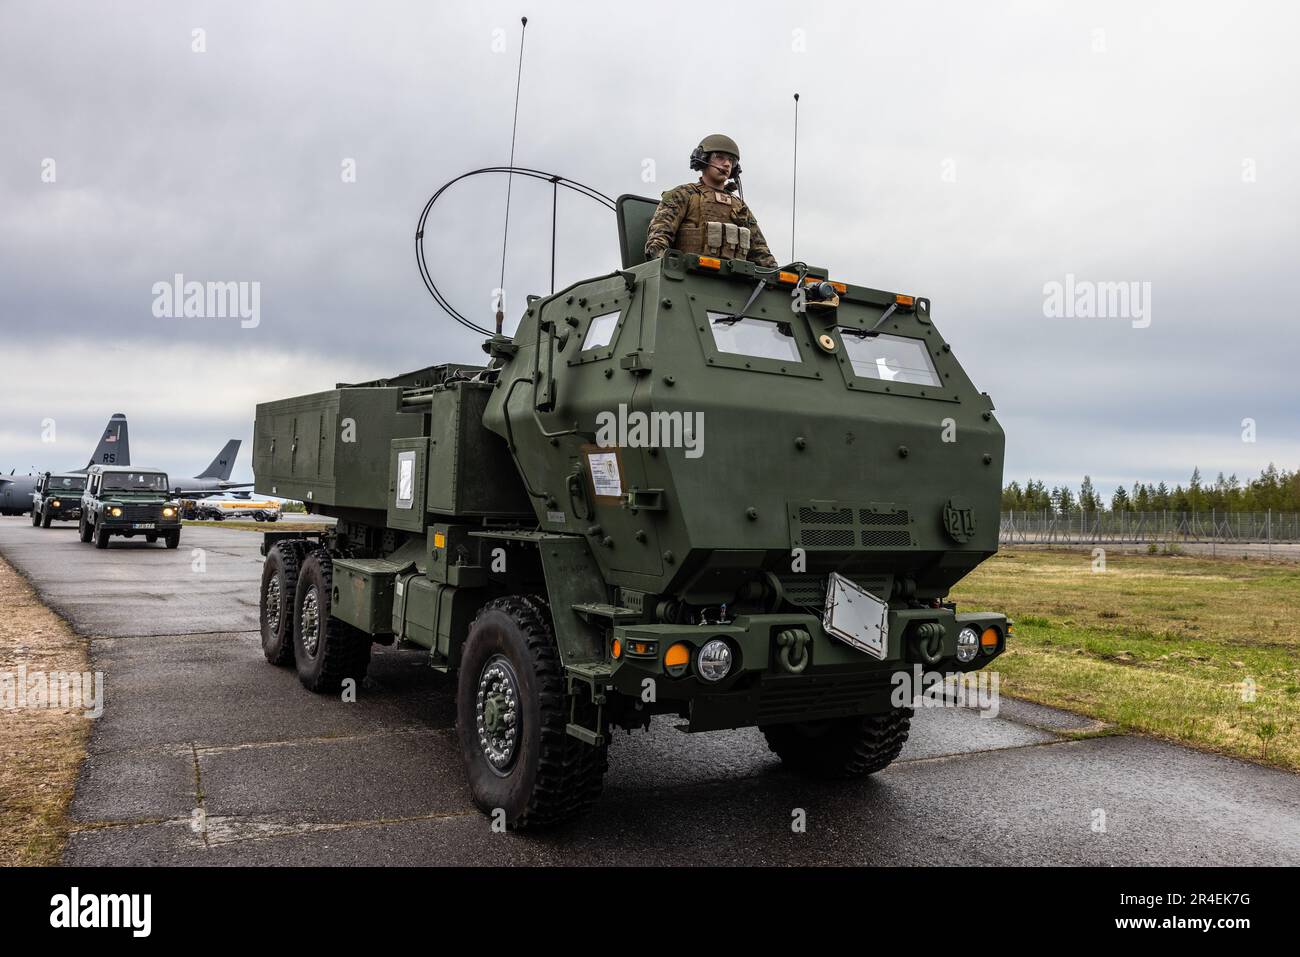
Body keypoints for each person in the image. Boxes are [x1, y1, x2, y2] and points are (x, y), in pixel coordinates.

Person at [644, 134, 778, 268]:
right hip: (690, 278)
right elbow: (659, 240)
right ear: (703, 159)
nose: (726, 164)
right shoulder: (684, 195)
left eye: (731, 161)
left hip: (734, 282)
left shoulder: (739, 206)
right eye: (719, 157)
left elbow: (760, 252)